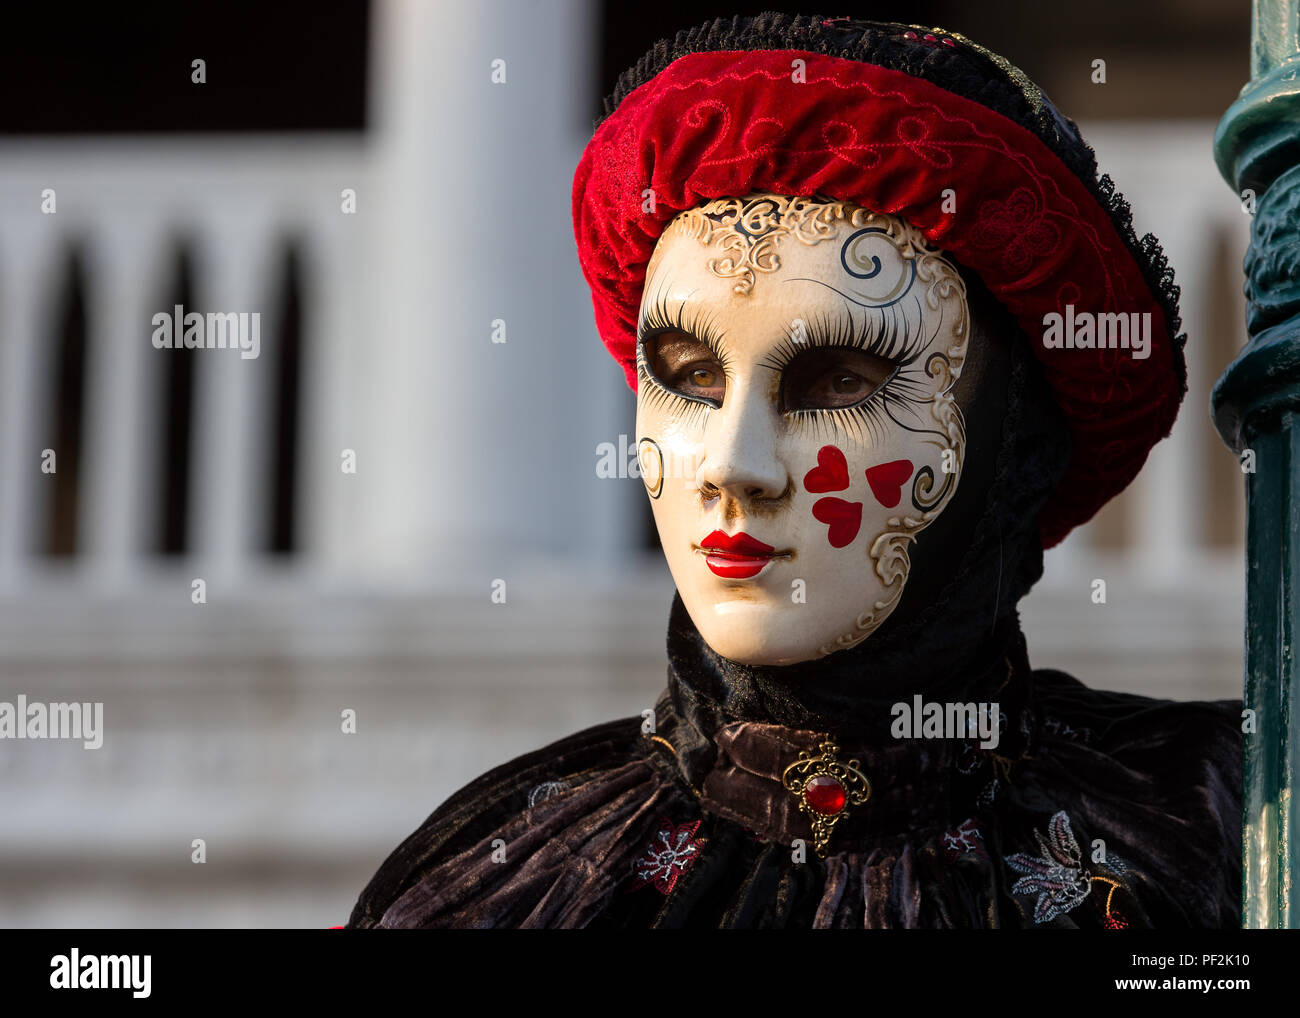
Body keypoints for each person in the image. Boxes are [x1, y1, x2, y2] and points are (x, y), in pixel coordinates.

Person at [346, 13, 1241, 928]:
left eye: (839, 380)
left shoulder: (1206, 837)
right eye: (691, 376)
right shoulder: (507, 890)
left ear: (1009, 442)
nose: (736, 467)